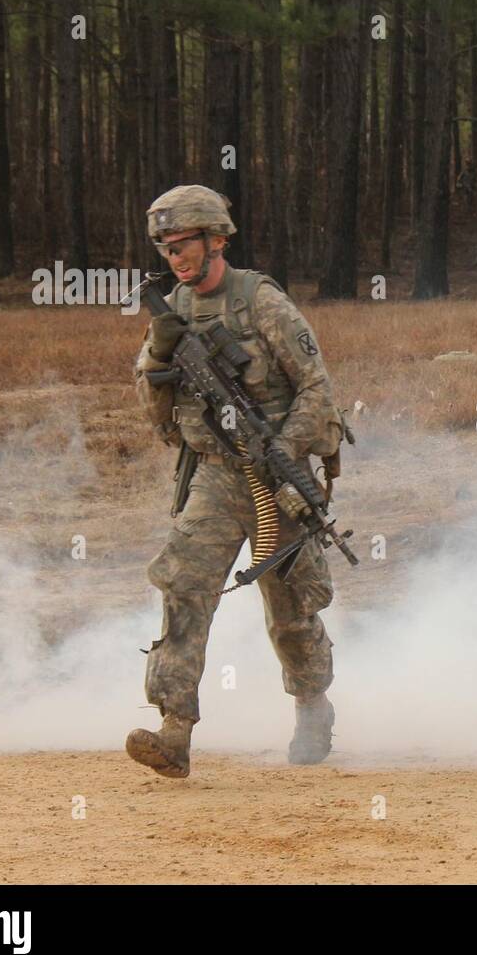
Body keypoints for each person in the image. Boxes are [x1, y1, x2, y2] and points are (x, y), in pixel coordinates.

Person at [129, 185, 343, 778]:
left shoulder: (261, 302)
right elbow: (153, 414)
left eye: (185, 245)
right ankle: (174, 730)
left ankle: (311, 703)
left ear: (216, 240)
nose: (176, 257)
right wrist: (157, 363)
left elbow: (318, 389)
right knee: (185, 588)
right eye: (166, 247)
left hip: (278, 478)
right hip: (218, 478)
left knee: (291, 610)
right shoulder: (171, 311)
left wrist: (286, 449)